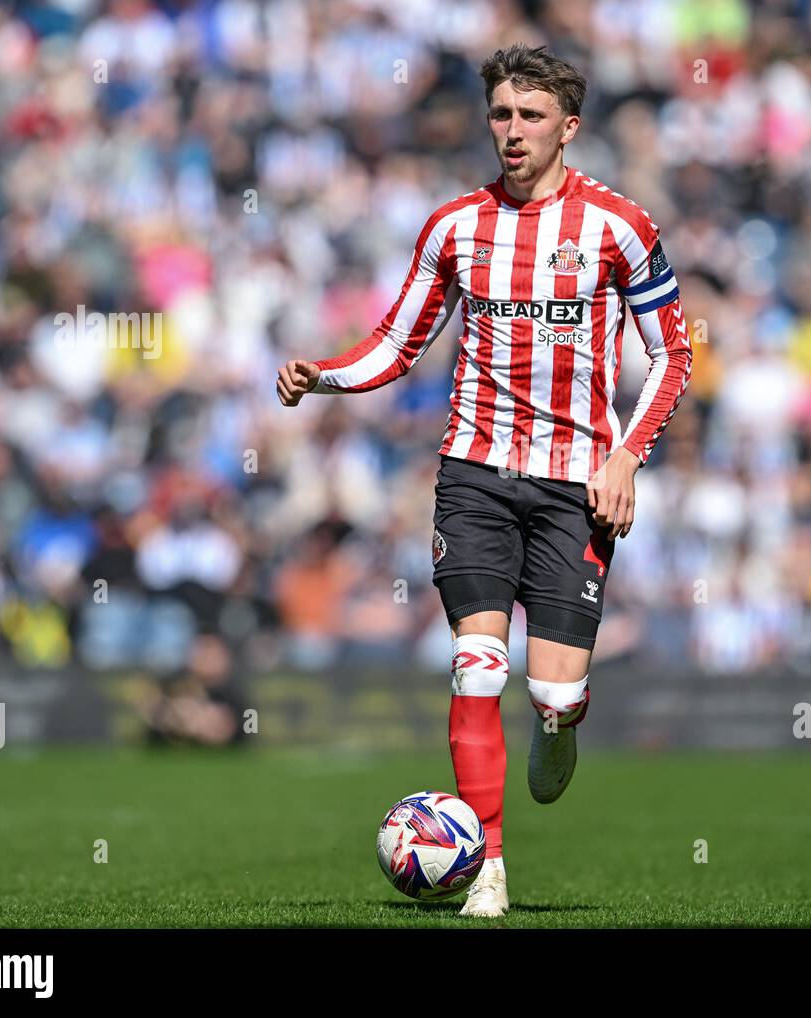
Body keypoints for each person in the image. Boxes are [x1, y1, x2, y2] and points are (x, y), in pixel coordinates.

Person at [276, 43, 692, 917]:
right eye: (501, 113)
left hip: (576, 484)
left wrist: (625, 457)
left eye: (531, 116)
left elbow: (674, 356)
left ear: (568, 128)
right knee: (474, 663)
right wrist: (325, 373)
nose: (512, 130)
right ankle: (489, 865)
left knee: (554, 691)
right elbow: (399, 345)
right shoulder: (454, 227)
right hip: (473, 474)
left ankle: (559, 727)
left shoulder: (619, 227)